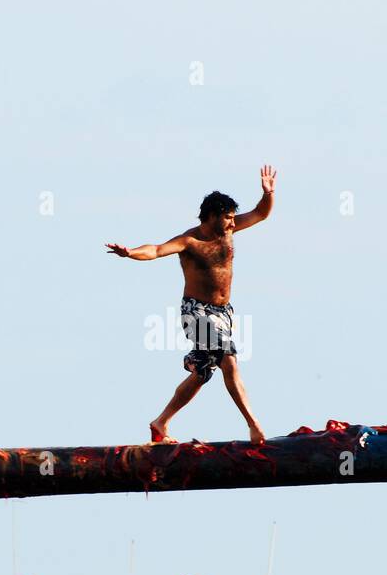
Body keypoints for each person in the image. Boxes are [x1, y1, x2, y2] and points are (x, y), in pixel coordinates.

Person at [106, 166, 276, 445]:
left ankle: (160, 423)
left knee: (202, 373)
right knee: (229, 360)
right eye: (228, 218)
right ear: (211, 216)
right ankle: (254, 425)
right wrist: (130, 253)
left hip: (223, 314)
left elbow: (261, 213)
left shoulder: (229, 231)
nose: (233, 223)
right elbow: (157, 250)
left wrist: (268, 193)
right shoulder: (190, 241)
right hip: (197, 312)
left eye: (234, 218)